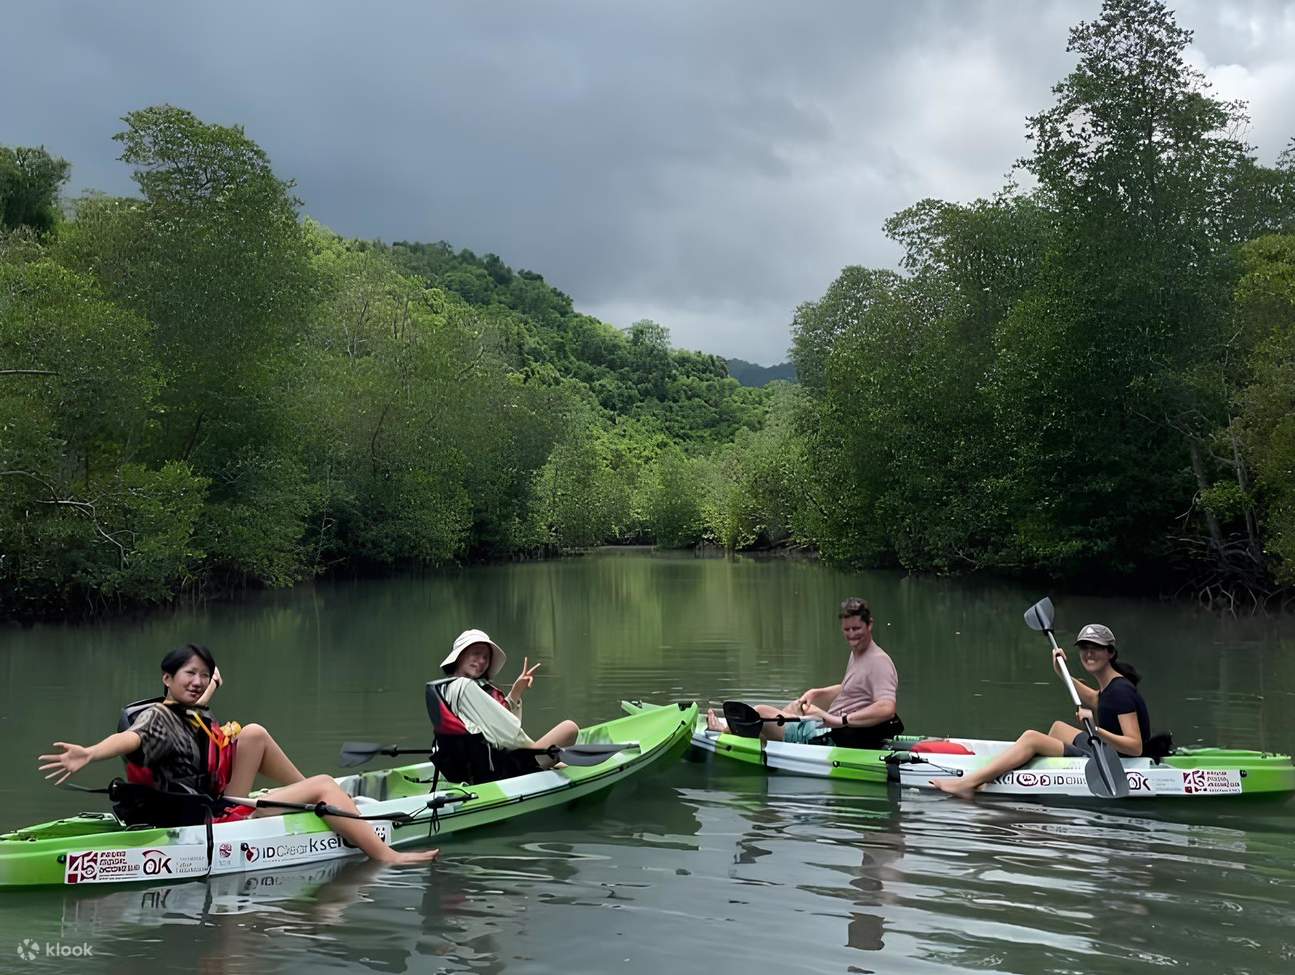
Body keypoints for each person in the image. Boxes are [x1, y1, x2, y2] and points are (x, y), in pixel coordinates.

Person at [38, 644, 439, 865]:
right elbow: (129, 739)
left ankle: (310, 795)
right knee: (323, 784)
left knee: (253, 734)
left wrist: (211, 686)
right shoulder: (157, 718)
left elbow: (199, 707)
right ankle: (385, 855)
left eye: (203, 675)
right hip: (206, 819)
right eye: (188, 675)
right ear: (166, 679)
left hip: (212, 805)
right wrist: (89, 754)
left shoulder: (186, 709)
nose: (197, 682)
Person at [931, 622, 1150, 798]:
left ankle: (969, 783)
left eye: (1096, 649)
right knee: (1058, 728)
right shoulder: (1110, 685)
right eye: (1085, 648)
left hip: (1113, 759)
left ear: (1110, 653)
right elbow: (1095, 699)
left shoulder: (1120, 692)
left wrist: (1096, 730)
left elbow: (1136, 746)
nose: (1089, 654)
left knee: (1032, 738)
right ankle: (1034, 774)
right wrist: (1061, 672)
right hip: (1103, 747)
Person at [706, 597, 904, 749]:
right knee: (796, 706)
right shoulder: (860, 653)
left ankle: (723, 732)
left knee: (760, 712)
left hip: (832, 736)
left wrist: (838, 720)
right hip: (829, 726)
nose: (852, 635)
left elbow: (887, 708)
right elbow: (855, 688)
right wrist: (817, 693)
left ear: (870, 624)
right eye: (847, 629)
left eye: (857, 628)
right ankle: (768, 733)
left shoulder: (878, 662)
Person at [425, 628, 579, 783]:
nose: (482, 661)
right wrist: (541, 753)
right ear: (459, 656)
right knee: (569, 728)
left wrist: (515, 693)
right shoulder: (464, 686)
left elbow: (495, 729)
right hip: (498, 772)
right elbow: (510, 734)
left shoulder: (450, 689)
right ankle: (537, 764)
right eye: (476, 653)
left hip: (480, 769)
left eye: (486, 657)